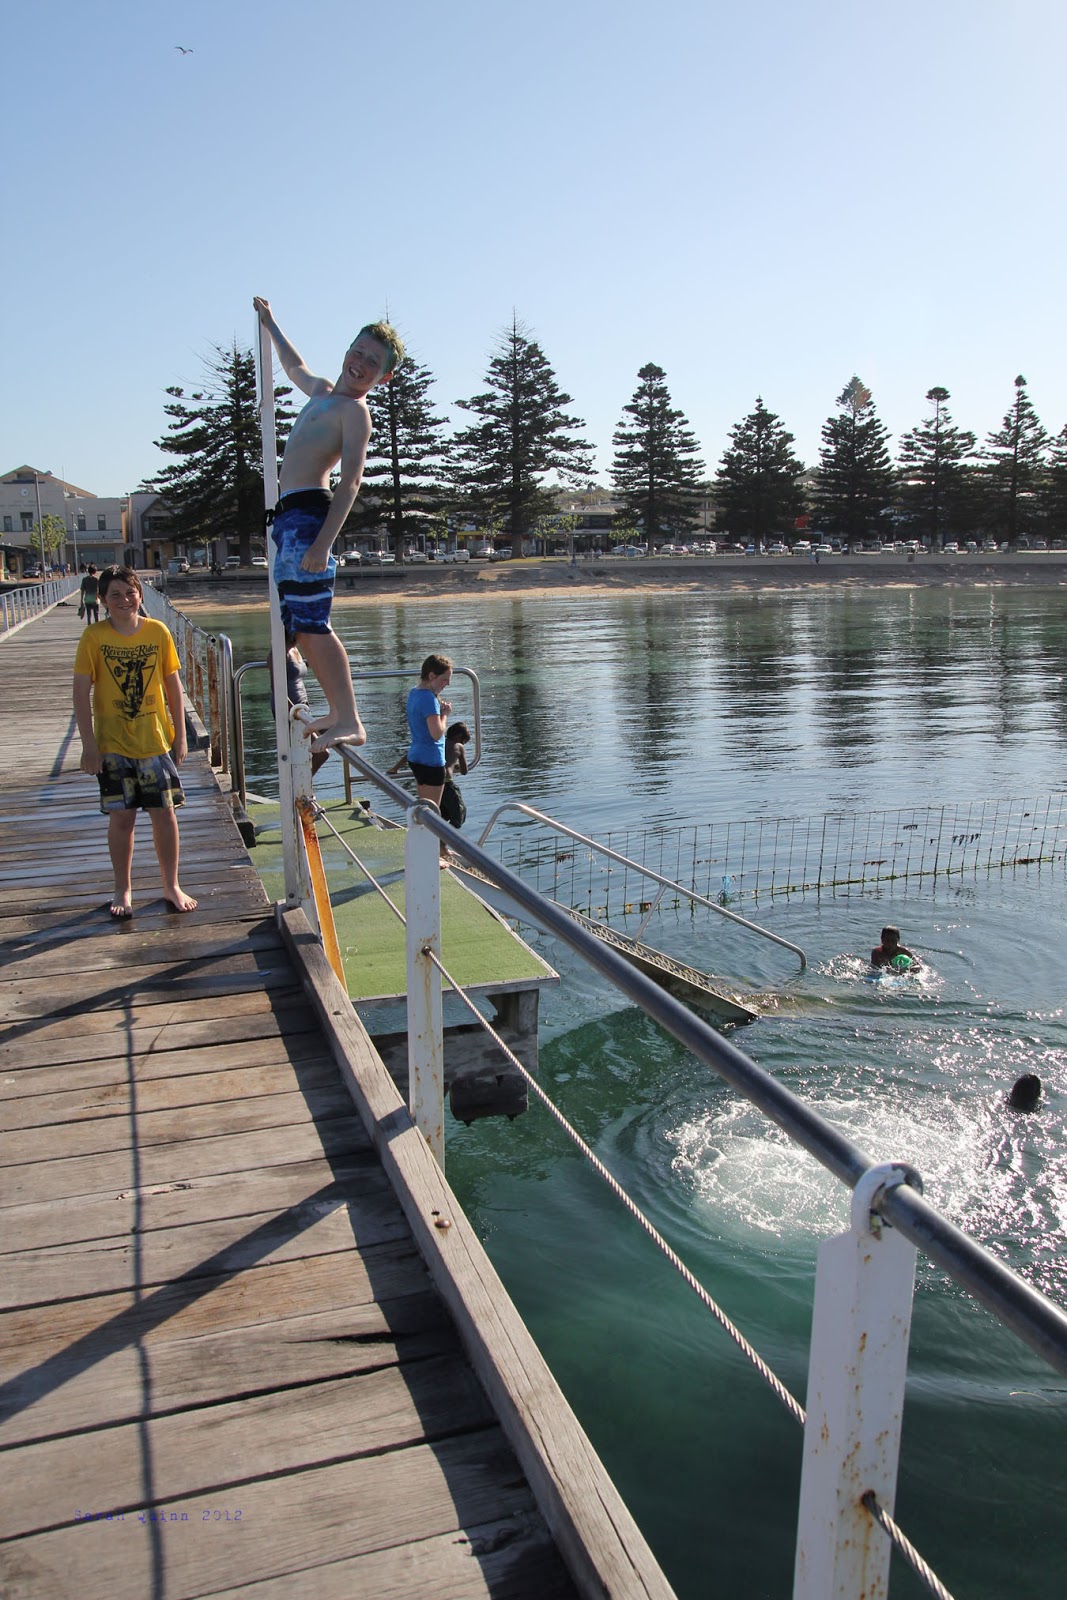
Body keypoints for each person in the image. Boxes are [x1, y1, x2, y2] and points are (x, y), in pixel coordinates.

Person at [253, 296, 404, 752]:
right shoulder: (321, 393)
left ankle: (349, 718)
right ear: (347, 351)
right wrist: (271, 325)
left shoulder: (355, 413)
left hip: (311, 518)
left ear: (383, 377)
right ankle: (337, 713)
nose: (361, 363)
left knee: (314, 624)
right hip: (289, 520)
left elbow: (352, 481)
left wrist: (323, 542)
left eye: (373, 363)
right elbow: (293, 365)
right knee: (298, 625)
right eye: (358, 352)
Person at [73, 566, 197, 919]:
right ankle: (122, 888)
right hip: (113, 744)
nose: (124, 600)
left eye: (130, 593)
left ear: (140, 594)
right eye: (115, 595)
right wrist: (88, 745)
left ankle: (171, 884)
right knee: (121, 818)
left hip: (155, 741)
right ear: (102, 600)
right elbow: (81, 692)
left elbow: (173, 684)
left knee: (164, 814)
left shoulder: (157, 632)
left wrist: (181, 734)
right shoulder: (94, 637)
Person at [402, 654, 455, 857]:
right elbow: (437, 733)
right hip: (432, 760)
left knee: (423, 807)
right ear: (431, 675)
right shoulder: (429, 699)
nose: (447, 684)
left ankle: (429, 850)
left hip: (416, 757)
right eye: (444, 680)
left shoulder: (414, 693)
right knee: (433, 811)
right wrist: (444, 715)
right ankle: (434, 853)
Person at [267, 633, 329, 778]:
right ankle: (296, 788)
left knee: (301, 751)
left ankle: (297, 789)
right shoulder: (277, 652)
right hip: (290, 709)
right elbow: (276, 688)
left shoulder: (296, 649)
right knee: (321, 754)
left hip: (302, 707)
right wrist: (293, 712)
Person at [388, 719, 471, 828]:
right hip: (447, 784)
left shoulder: (438, 743)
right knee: (459, 816)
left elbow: (410, 755)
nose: (463, 743)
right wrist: (457, 766)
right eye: (464, 741)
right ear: (459, 736)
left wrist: (395, 768)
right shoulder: (459, 746)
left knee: (439, 814)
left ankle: (437, 838)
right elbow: (464, 771)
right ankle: (444, 840)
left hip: (433, 783)